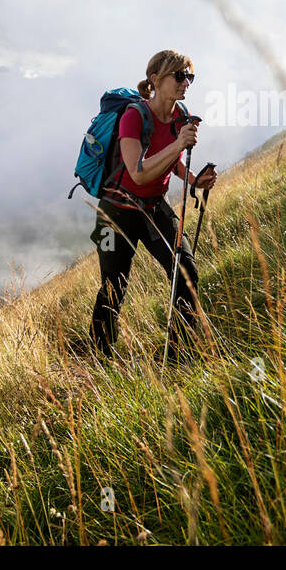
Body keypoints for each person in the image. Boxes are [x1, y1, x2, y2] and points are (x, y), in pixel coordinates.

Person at [89, 49, 218, 363]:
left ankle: (178, 355)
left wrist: (192, 180)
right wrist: (178, 144)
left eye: (190, 76)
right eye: (179, 76)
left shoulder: (179, 114)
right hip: (116, 211)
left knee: (185, 271)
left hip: (153, 206)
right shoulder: (134, 116)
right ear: (155, 80)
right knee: (114, 283)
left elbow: (169, 162)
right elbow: (138, 170)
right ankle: (99, 356)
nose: (186, 82)